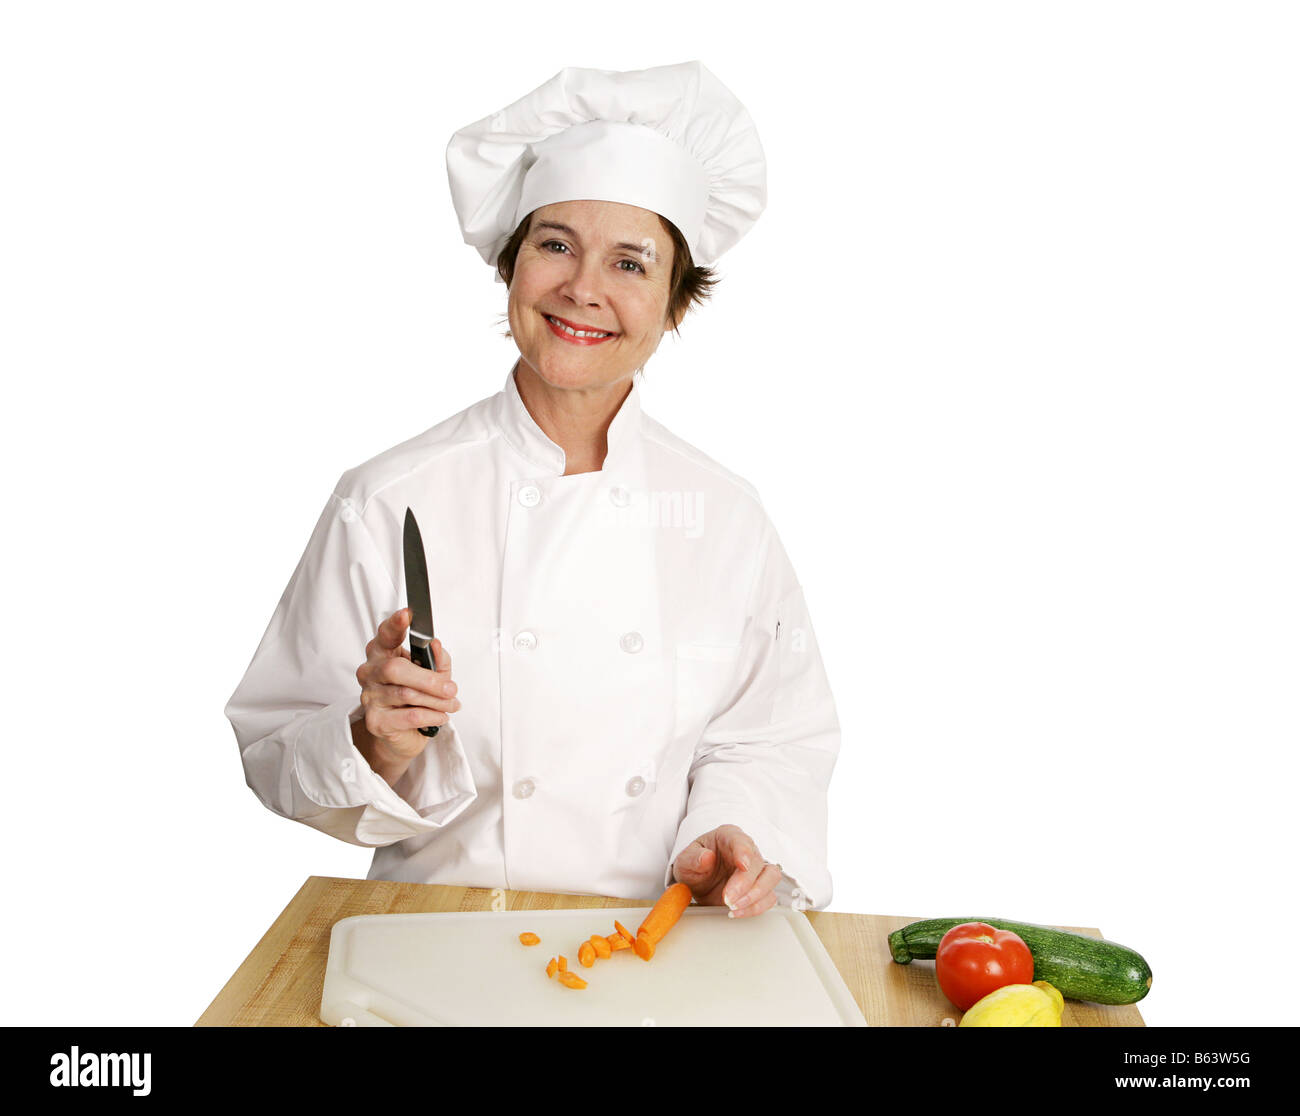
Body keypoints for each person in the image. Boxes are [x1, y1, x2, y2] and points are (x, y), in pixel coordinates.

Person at [224, 61, 840, 917]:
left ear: (674, 305)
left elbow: (768, 740)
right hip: (439, 947)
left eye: (631, 262)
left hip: (659, 948)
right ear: (510, 267)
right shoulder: (386, 498)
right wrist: (373, 739)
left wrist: (731, 831)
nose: (583, 288)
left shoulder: (726, 515)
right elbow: (273, 752)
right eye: (555, 245)